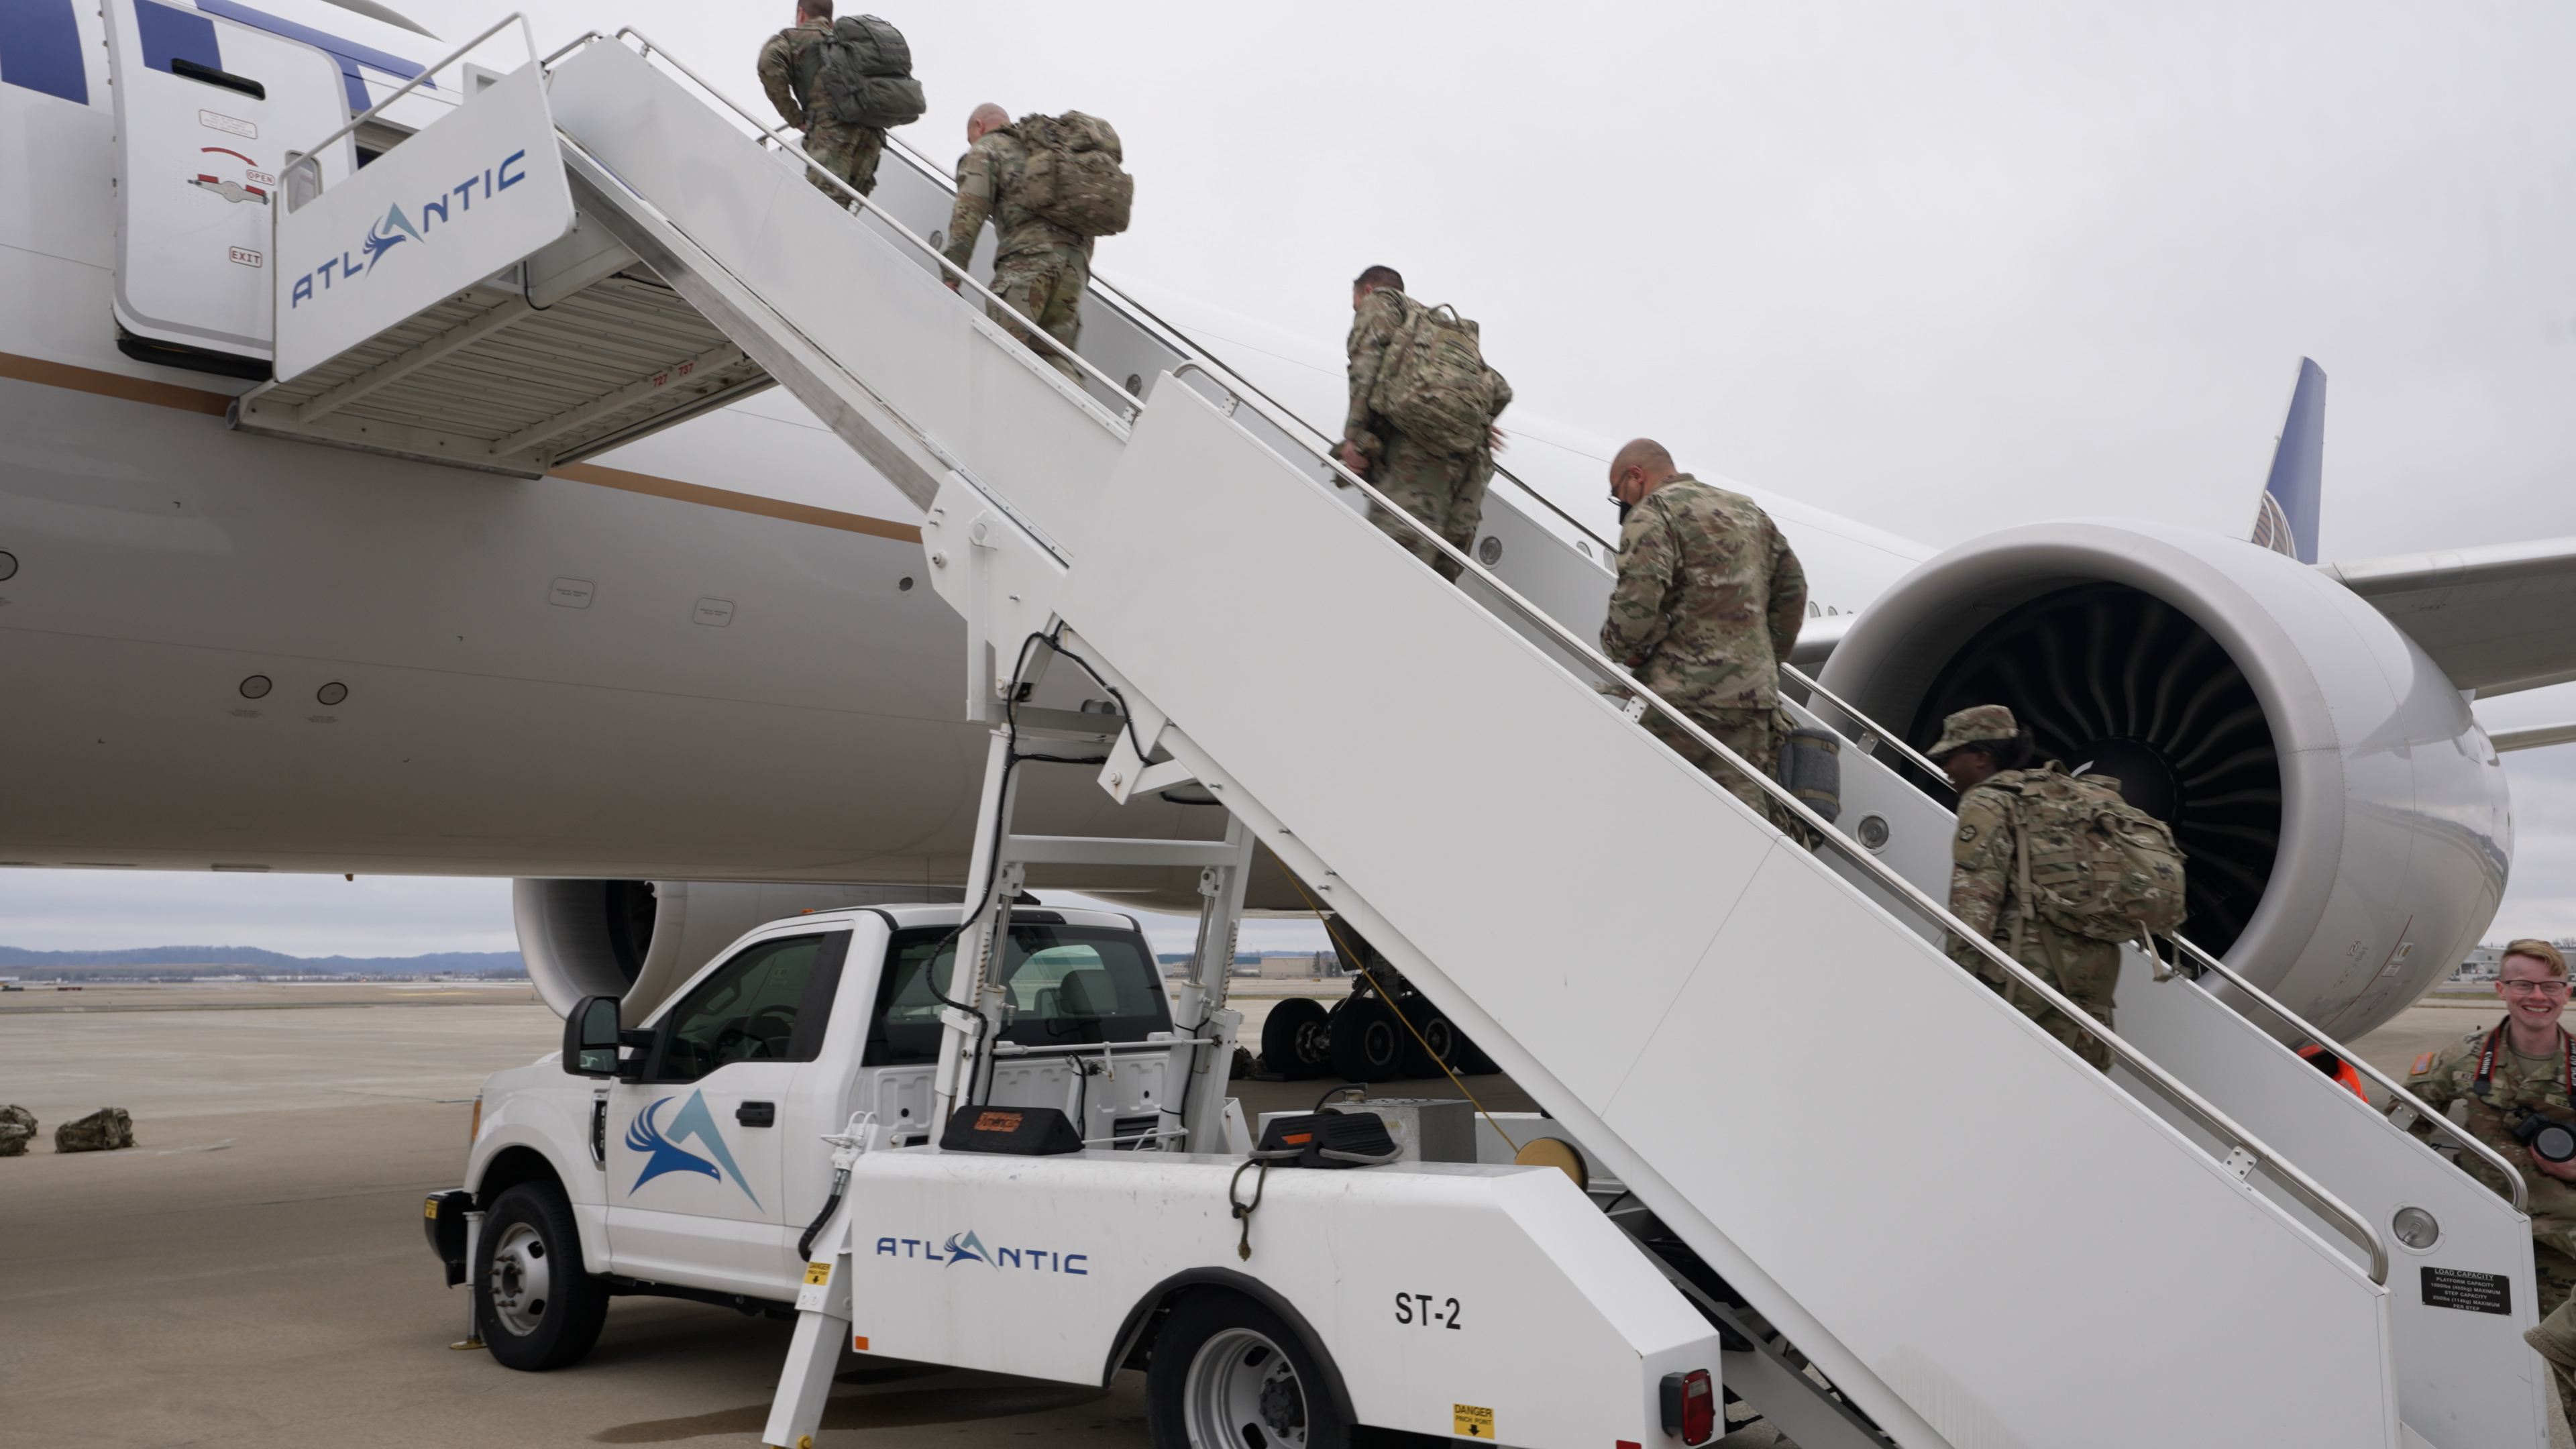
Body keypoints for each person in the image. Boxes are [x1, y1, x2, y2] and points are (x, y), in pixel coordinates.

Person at [2406, 936, 2576, 1422]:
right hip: (2485, 1236)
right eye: (2523, 984)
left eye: (2550, 986)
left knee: (2566, 1363)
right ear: (2501, 988)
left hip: (2564, 1239)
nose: (2536, 996)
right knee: (2475, 1364)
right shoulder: (2459, 1060)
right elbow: (2401, 1128)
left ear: (2566, 993)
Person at [1599, 439, 1806, 823]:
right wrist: (1761, 662)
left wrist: (1619, 647)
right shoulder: (1748, 511)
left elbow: (1639, 596)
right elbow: (1793, 590)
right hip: (1752, 701)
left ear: (1636, 476)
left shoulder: (1653, 513)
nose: (1622, 507)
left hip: (1682, 699)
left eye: (1618, 495)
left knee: (1635, 809)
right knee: (1739, 825)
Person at [1935, 704, 2125, 1072]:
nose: (1944, 768)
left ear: (1980, 758)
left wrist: (1955, 989)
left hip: (2023, 985)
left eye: (1950, 756)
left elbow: (1974, 904)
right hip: (2090, 985)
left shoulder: (1986, 800)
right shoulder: (2052, 798)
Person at [1336, 267, 1513, 580]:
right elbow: (1500, 390)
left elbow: (1364, 366)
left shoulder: (1381, 303)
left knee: (1391, 577)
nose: (1357, 312)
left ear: (1367, 291)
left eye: (1355, 305)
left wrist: (1354, 439)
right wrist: (1479, 422)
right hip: (1463, 475)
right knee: (1435, 589)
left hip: (1411, 468)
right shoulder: (1445, 332)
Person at [942, 104, 1089, 382]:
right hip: (1075, 269)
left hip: (1029, 262)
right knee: (1055, 362)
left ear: (979, 126)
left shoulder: (989, 147)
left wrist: (952, 274)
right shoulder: (1043, 151)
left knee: (1002, 354)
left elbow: (969, 211)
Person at [757, 0, 888, 202]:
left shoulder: (792, 38)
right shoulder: (850, 47)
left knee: (823, 207)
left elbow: (768, 63)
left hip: (833, 133)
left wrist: (795, 117)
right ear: (832, 23)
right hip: (871, 138)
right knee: (843, 210)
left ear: (801, 14)